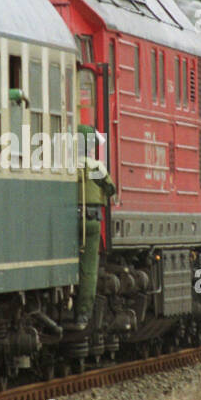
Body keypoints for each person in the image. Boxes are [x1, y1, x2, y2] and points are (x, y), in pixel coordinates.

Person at [67, 124, 116, 331]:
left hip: (67, 221)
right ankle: (82, 315)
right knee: (88, 270)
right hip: (91, 222)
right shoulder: (96, 168)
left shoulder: (67, 166)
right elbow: (110, 188)